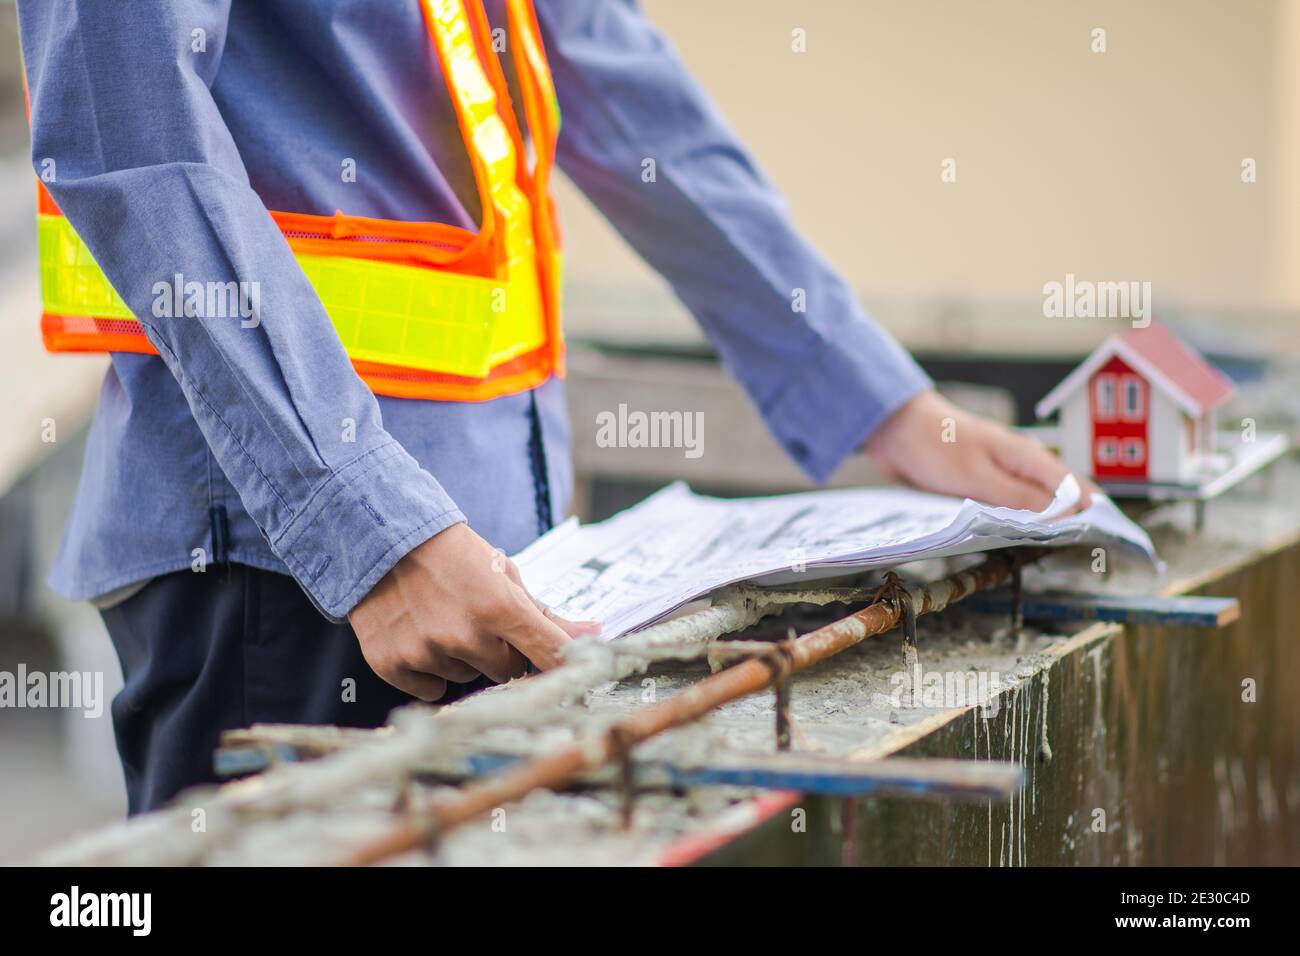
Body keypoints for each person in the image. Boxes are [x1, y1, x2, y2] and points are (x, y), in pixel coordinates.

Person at [17, 0, 1084, 813]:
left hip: (496, 552)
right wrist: (371, 531)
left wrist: (879, 400)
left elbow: (616, 77)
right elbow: (130, 137)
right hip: (282, 563)